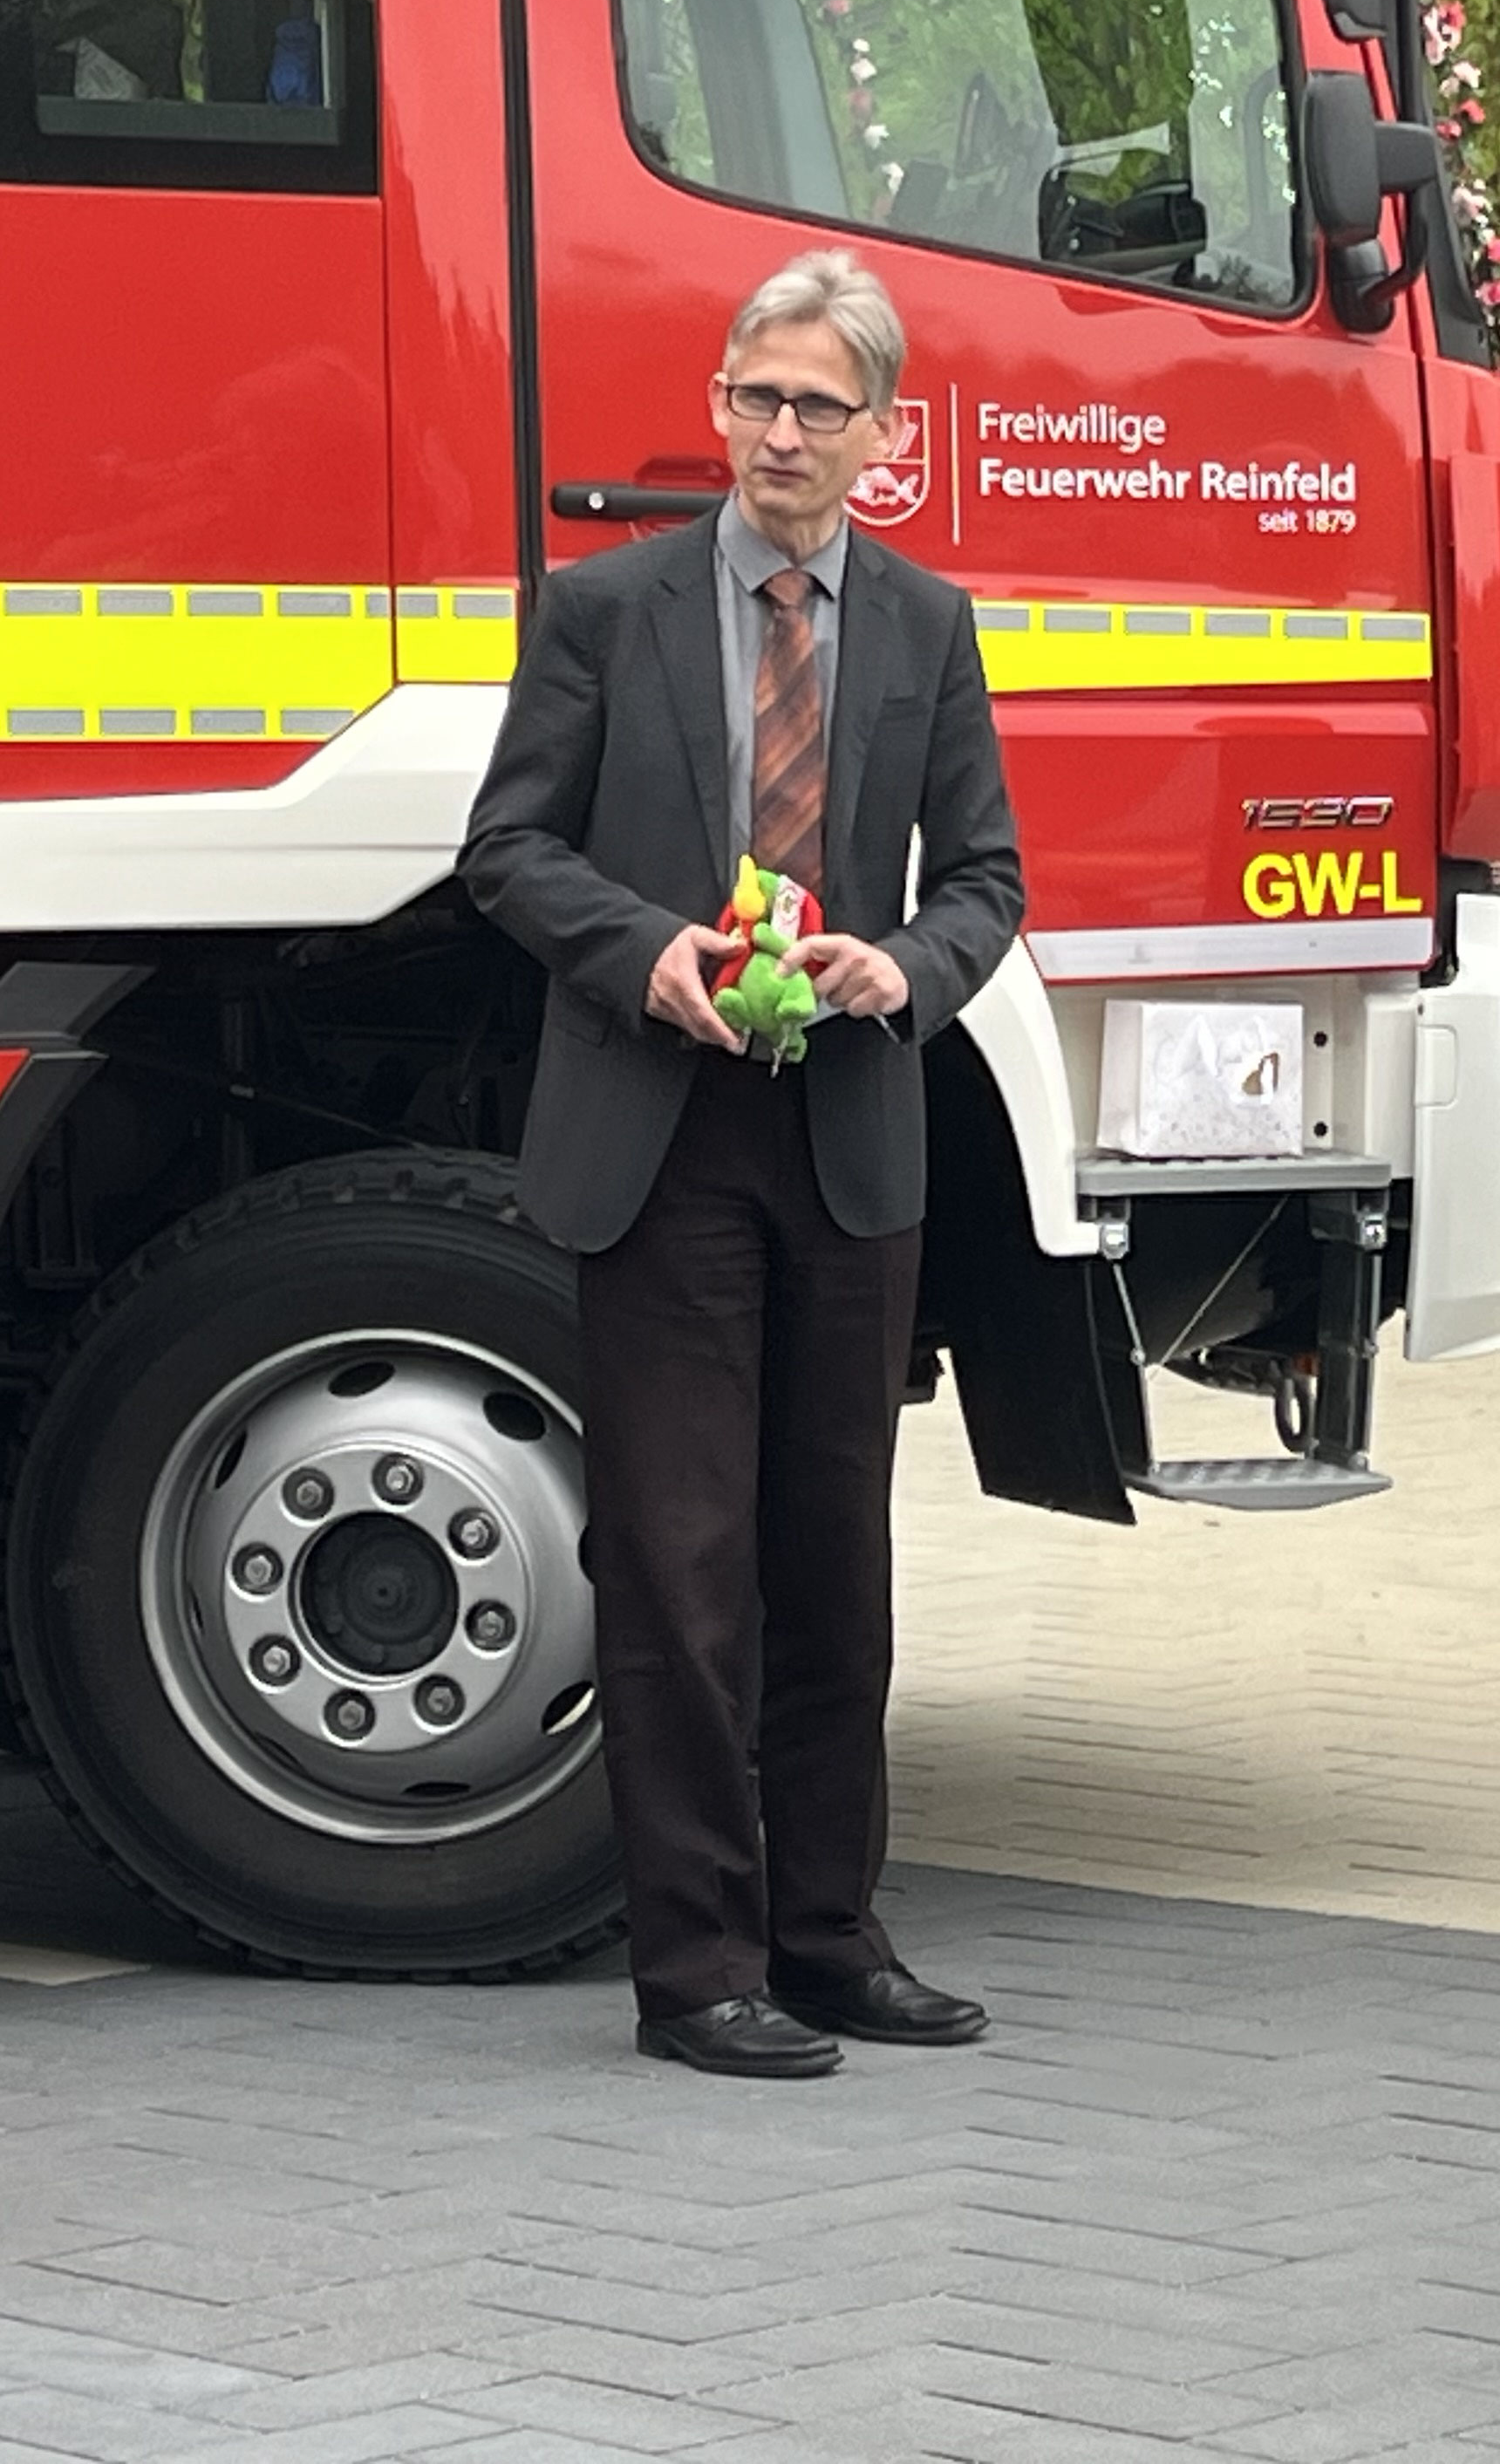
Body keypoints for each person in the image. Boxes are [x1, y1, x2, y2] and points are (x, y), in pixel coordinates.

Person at [461, 250, 1025, 2078]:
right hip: (661, 1132)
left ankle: (832, 1939)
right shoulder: (600, 608)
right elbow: (507, 849)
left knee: (833, 1561)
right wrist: (647, 953)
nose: (782, 433)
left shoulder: (928, 626)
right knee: (682, 1562)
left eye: (819, 407)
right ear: (718, 408)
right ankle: (696, 1966)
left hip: (847, 1135)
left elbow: (989, 881)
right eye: (755, 397)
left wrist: (905, 968)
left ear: (884, 435)